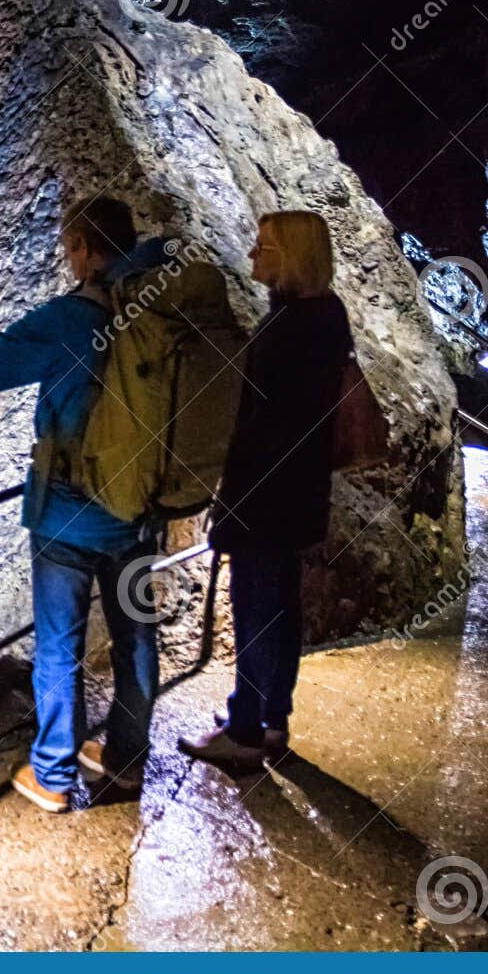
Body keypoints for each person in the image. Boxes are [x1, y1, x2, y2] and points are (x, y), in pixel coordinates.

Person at [0, 198, 161, 813]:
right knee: (136, 635)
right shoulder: (158, 307)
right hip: (138, 511)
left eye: (69, 244)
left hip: (69, 516)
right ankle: (127, 760)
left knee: (60, 644)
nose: (67, 255)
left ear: (82, 246)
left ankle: (53, 773)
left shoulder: (70, 319)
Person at [179, 210, 352, 768]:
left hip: (265, 497)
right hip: (298, 493)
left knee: (256, 608)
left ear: (292, 257)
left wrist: (230, 500)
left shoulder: (289, 327)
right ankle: (273, 719)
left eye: (264, 246)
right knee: (279, 608)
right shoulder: (326, 314)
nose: (253, 253)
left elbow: (262, 427)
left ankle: (245, 730)